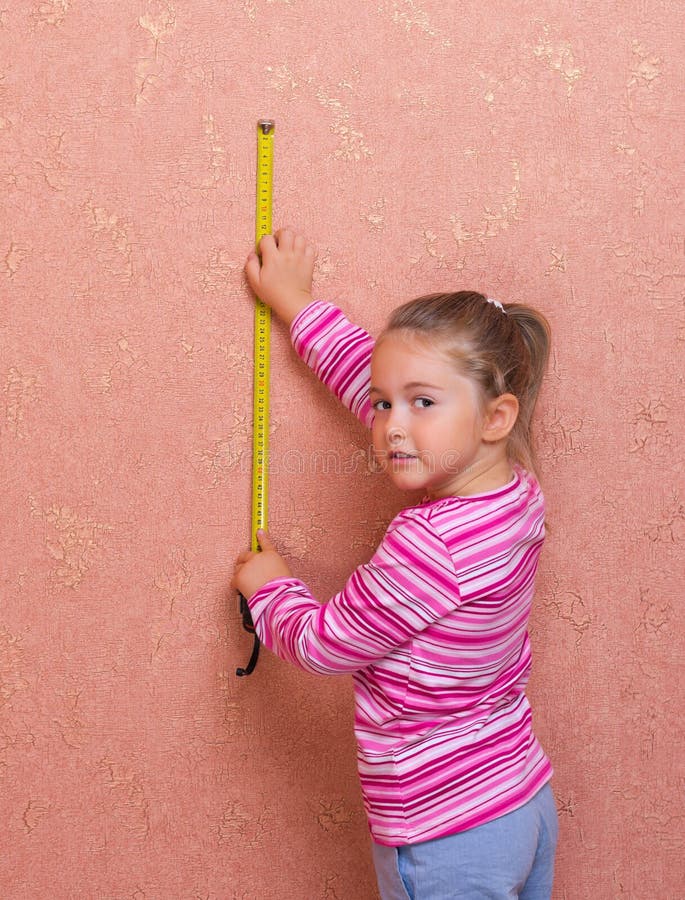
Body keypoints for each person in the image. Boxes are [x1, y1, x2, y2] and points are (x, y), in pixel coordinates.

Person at [232, 229, 558, 899]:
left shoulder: (429, 545)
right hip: (518, 798)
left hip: (445, 831)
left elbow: (326, 645)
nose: (391, 427)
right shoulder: (515, 493)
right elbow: (370, 377)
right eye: (386, 404)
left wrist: (269, 591)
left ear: (494, 416)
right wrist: (297, 305)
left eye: (422, 403)